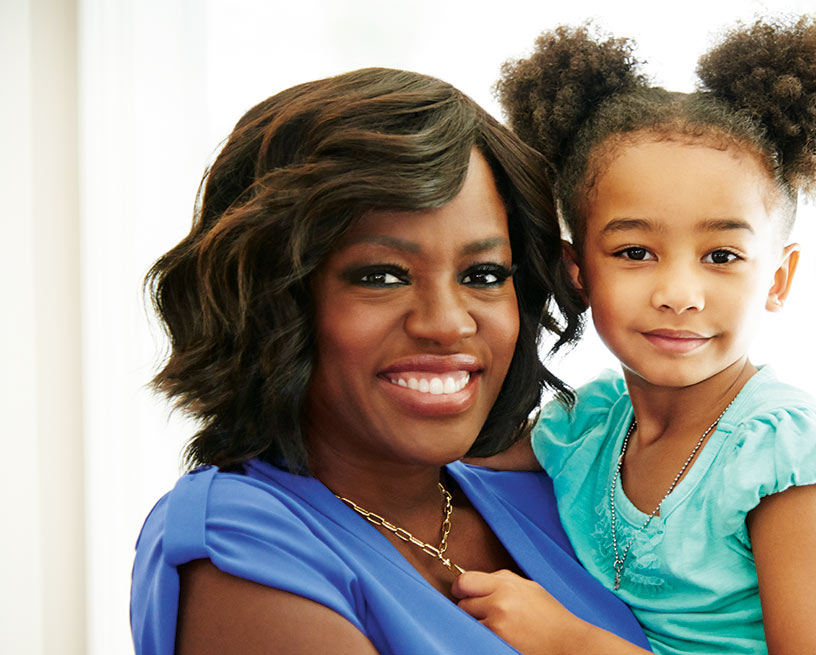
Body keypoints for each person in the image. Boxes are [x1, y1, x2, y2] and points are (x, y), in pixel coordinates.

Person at [130, 67, 652, 655]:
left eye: (483, 275)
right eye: (381, 276)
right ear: (270, 301)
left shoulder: (560, 492)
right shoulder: (240, 545)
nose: (448, 323)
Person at [460, 14, 816, 654]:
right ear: (577, 272)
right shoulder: (589, 425)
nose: (680, 294)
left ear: (778, 278)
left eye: (722, 256)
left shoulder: (776, 455)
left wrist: (567, 641)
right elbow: (433, 455)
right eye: (635, 253)